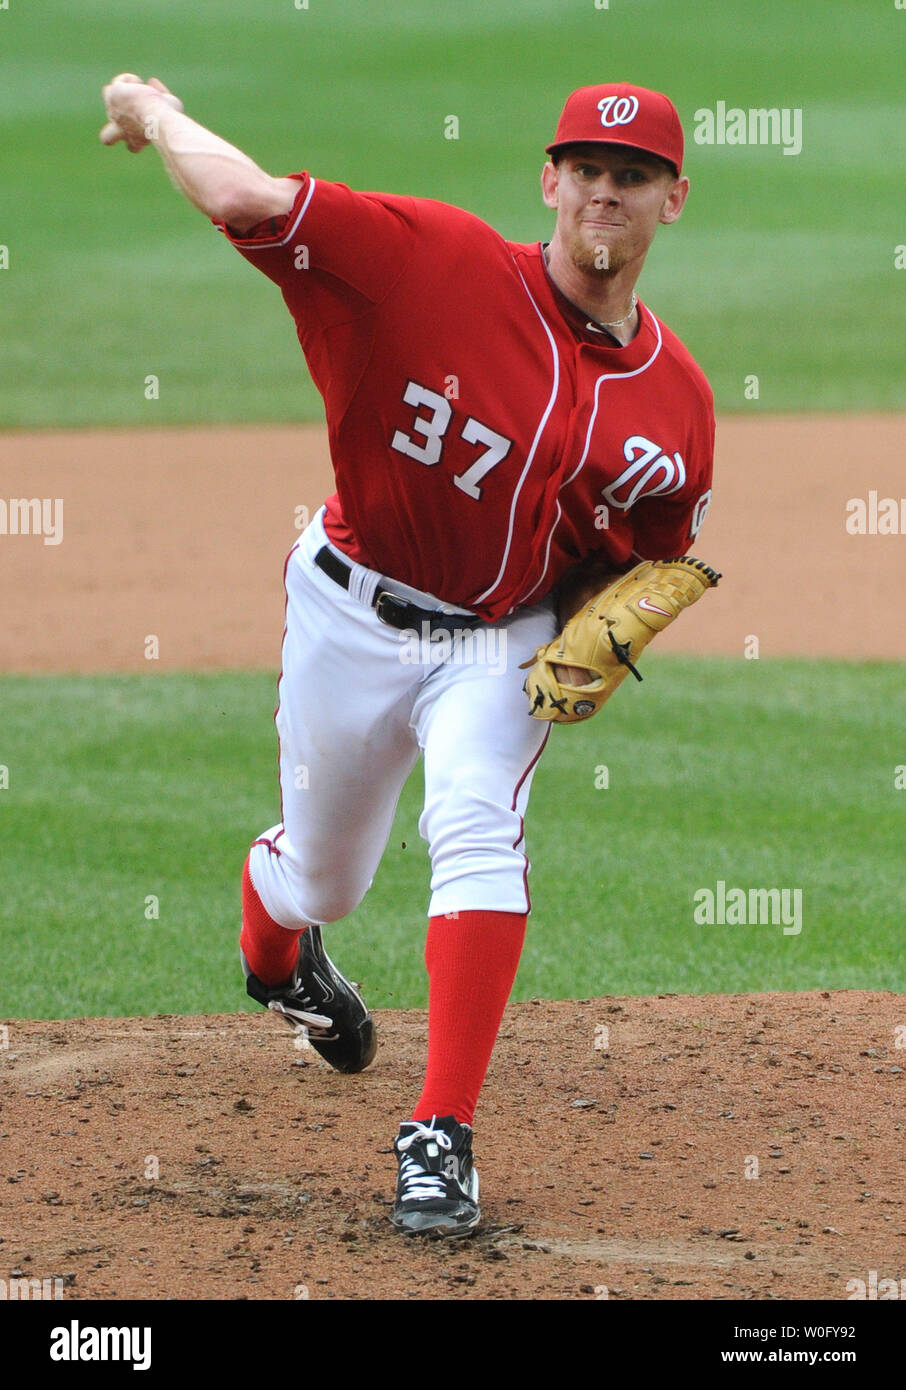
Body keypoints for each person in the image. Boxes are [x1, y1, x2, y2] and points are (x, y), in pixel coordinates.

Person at [100, 75, 715, 1237]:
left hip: (498, 645)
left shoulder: (678, 403)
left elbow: (652, 561)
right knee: (320, 879)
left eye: (632, 177)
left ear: (670, 201)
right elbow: (246, 196)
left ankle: (442, 1133)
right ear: (550, 181)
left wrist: (608, 634)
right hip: (350, 613)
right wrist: (158, 110)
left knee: (478, 818)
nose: (605, 193)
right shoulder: (431, 258)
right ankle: (282, 952)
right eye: (586, 168)